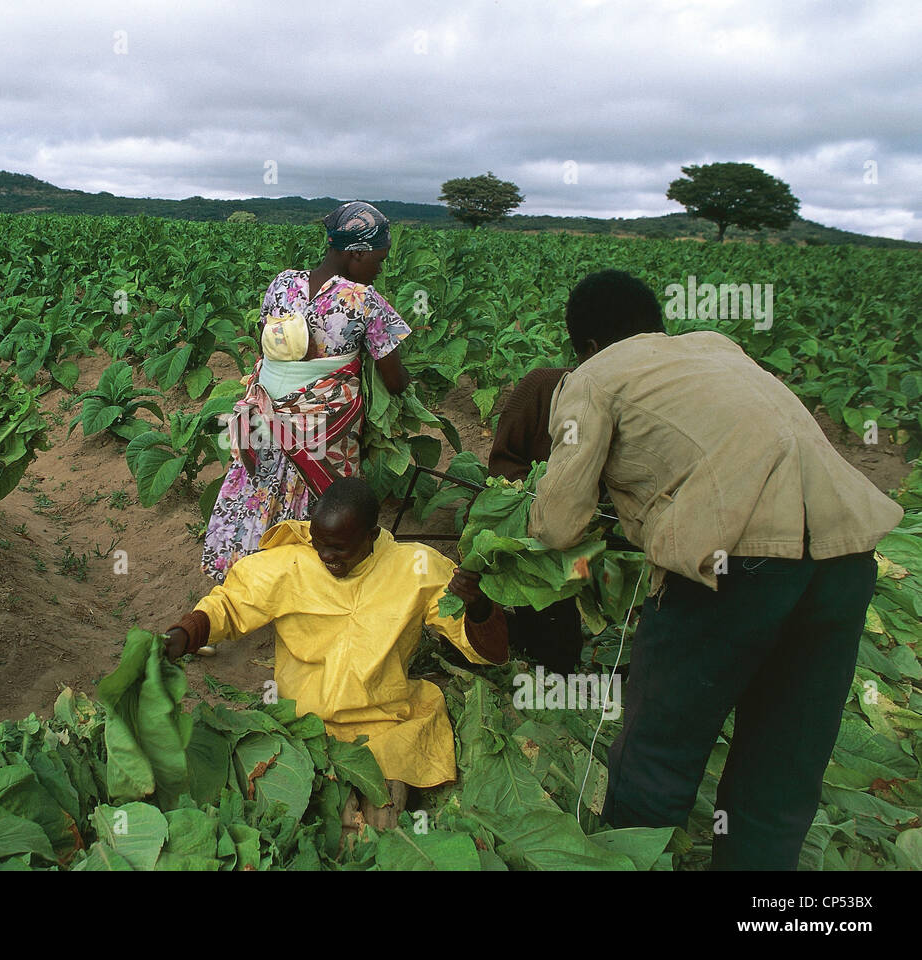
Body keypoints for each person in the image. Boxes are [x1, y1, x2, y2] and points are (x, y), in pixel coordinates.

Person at [528, 269, 903, 870]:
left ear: (587, 346)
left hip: (737, 562)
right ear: (655, 325)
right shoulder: (718, 349)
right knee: (784, 759)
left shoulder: (595, 377)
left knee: (659, 749)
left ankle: (634, 859)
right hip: (845, 554)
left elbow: (557, 523)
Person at [167, 477, 508, 828]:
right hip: (303, 723)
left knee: (379, 825)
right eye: (320, 545)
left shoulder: (416, 568)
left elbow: (488, 651)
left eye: (340, 549)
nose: (327, 557)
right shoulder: (290, 564)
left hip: (386, 725)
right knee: (327, 822)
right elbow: (232, 604)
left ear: (371, 537)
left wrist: (480, 607)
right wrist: (185, 633)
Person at [201, 201, 412, 583]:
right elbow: (395, 381)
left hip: (264, 417)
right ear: (357, 252)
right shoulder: (366, 302)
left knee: (258, 489)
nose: (380, 269)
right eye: (378, 260)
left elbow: (272, 344)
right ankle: (301, 587)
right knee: (322, 502)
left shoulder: (281, 284)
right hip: (322, 434)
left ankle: (243, 583)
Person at [484, 365, 586, 672]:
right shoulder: (542, 387)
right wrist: (537, 495)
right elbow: (503, 461)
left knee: (561, 643)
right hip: (530, 521)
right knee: (547, 624)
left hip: (585, 534)